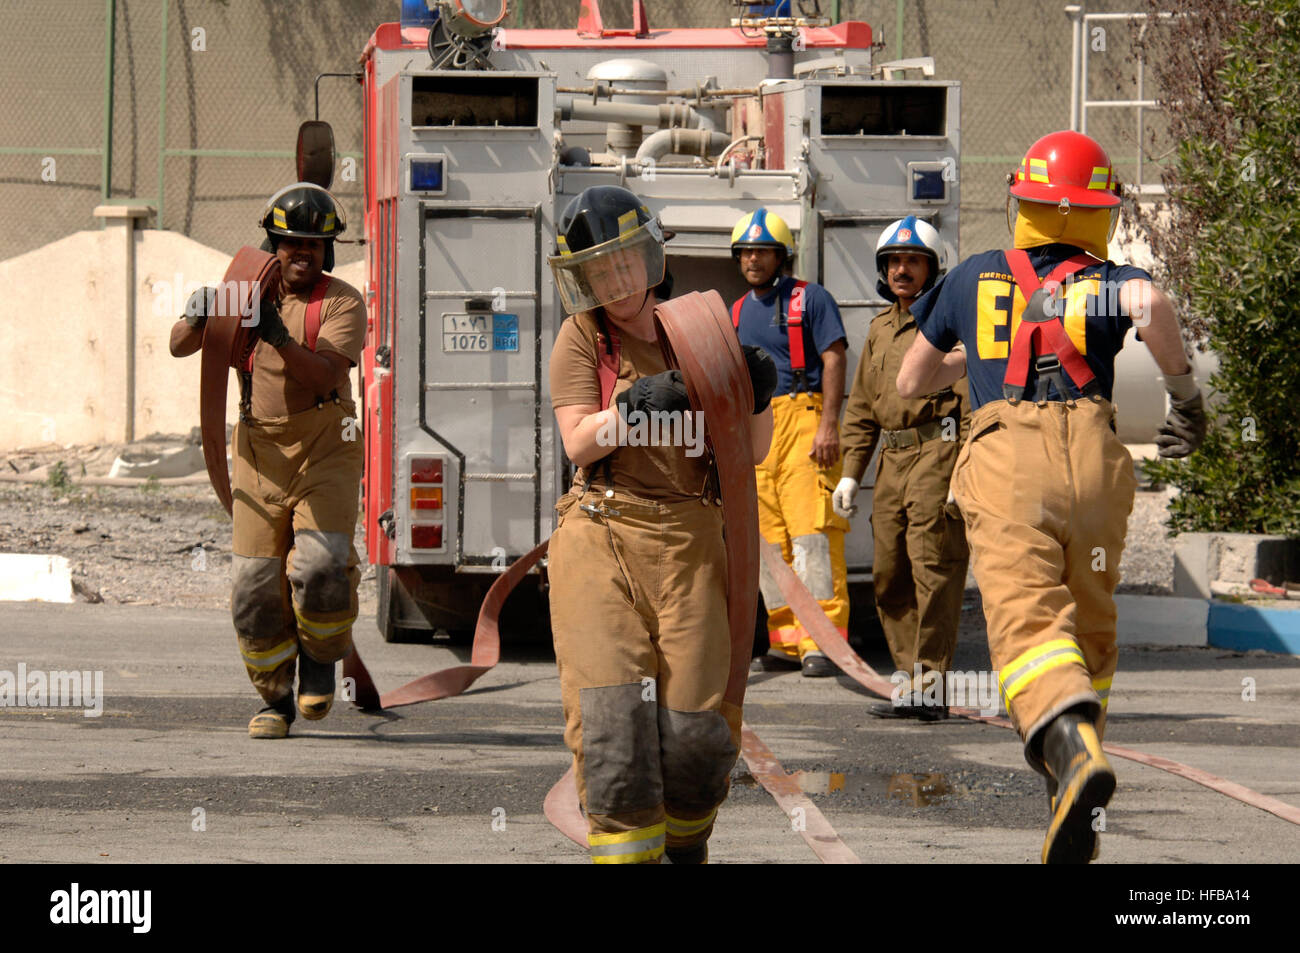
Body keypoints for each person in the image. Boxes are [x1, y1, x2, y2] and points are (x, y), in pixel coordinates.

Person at [896, 130, 1206, 862]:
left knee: (1029, 623)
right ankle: (1072, 806)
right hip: (1095, 462)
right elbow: (1152, 304)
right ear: (1099, 210)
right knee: (1088, 629)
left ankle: (1072, 761)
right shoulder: (1106, 278)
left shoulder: (972, 275)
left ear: (1024, 201)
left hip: (1009, 459)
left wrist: (978, 360)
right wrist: (1185, 401)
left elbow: (911, 380)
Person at [547, 185, 776, 864]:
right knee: (615, 726)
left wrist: (755, 395)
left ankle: (685, 848)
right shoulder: (581, 338)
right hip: (601, 537)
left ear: (649, 258)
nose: (614, 280)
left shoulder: (699, 335)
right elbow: (578, 443)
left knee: (699, 735)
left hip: (690, 545)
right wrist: (636, 403)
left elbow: (753, 451)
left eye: (623, 263)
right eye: (598, 270)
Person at [169, 182, 367, 740]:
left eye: (313, 244)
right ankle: (275, 698)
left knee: (322, 565)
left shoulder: (342, 301)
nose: (301, 253)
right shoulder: (244, 294)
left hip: (325, 446)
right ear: (272, 242)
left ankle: (321, 662)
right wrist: (197, 313)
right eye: (289, 242)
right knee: (254, 586)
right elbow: (180, 345)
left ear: (327, 250)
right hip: (259, 452)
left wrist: (276, 335)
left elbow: (326, 375)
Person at [834, 216, 970, 720]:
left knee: (932, 568)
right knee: (889, 573)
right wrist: (851, 471)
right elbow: (863, 408)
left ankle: (931, 689)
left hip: (939, 452)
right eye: (893, 261)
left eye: (913, 260)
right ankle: (911, 680)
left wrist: (964, 475)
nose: (902, 269)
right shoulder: (879, 330)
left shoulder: (952, 328)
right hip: (892, 462)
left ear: (932, 269)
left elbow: (972, 407)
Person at [730, 209, 850, 678]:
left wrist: (829, 425)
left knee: (813, 537)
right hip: (760, 428)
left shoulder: (811, 299)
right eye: (745, 252)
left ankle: (823, 641)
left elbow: (834, 357)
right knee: (769, 543)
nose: (753, 259)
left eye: (762, 251)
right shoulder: (737, 311)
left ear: (782, 257)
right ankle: (784, 640)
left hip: (805, 418)